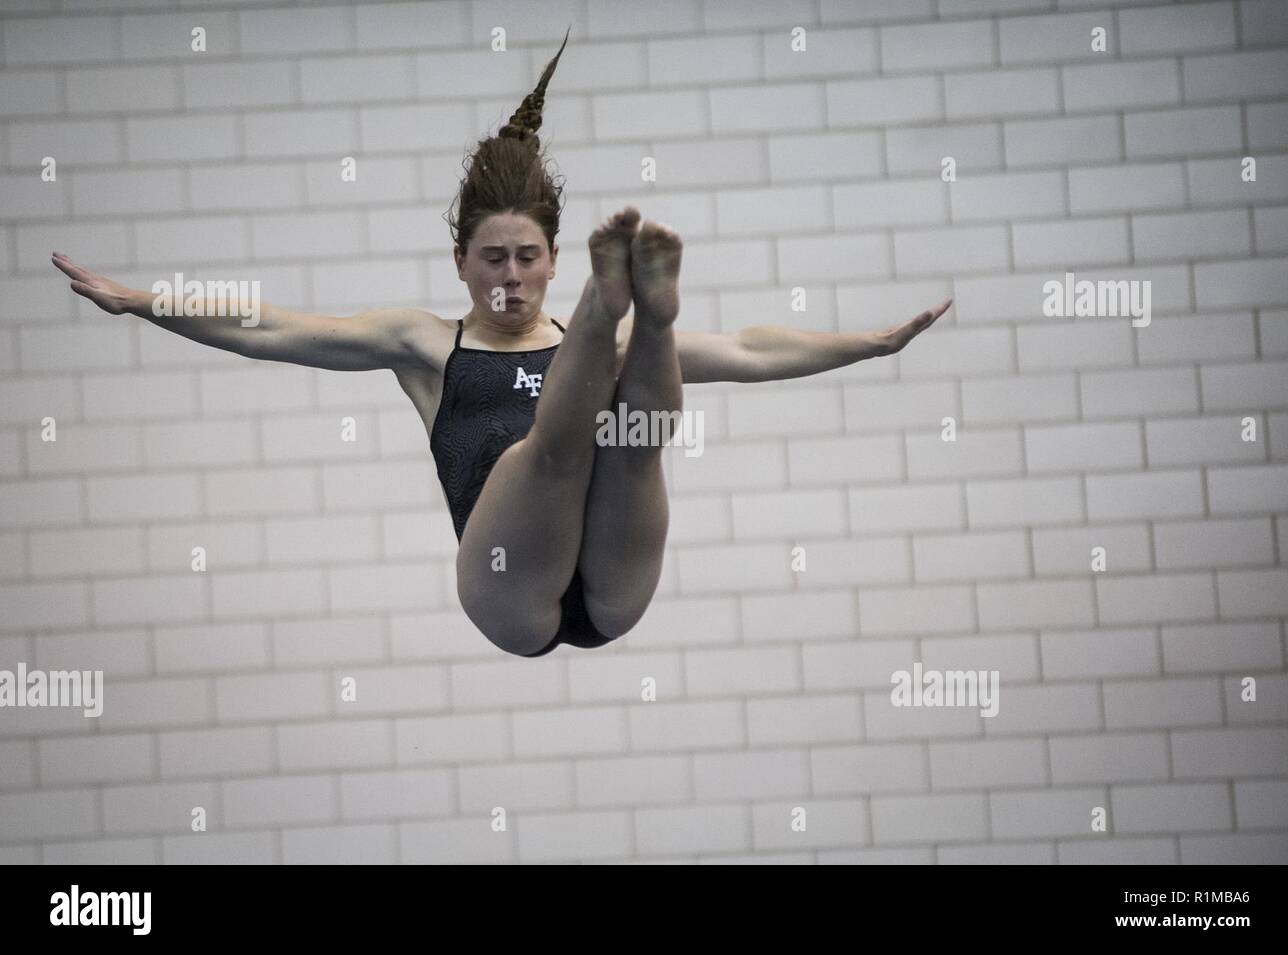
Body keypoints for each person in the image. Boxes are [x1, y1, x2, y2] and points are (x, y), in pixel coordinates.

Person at [50, 30, 950, 658]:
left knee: (637, 439)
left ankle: (645, 312)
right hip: (507, 590)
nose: (509, 279)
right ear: (459, 261)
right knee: (549, 451)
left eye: (527, 259)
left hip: (612, 587)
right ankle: (613, 313)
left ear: (553, 258)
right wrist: (141, 301)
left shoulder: (550, 315)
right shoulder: (423, 344)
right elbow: (268, 323)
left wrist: (868, 344)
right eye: (492, 260)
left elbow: (753, 350)